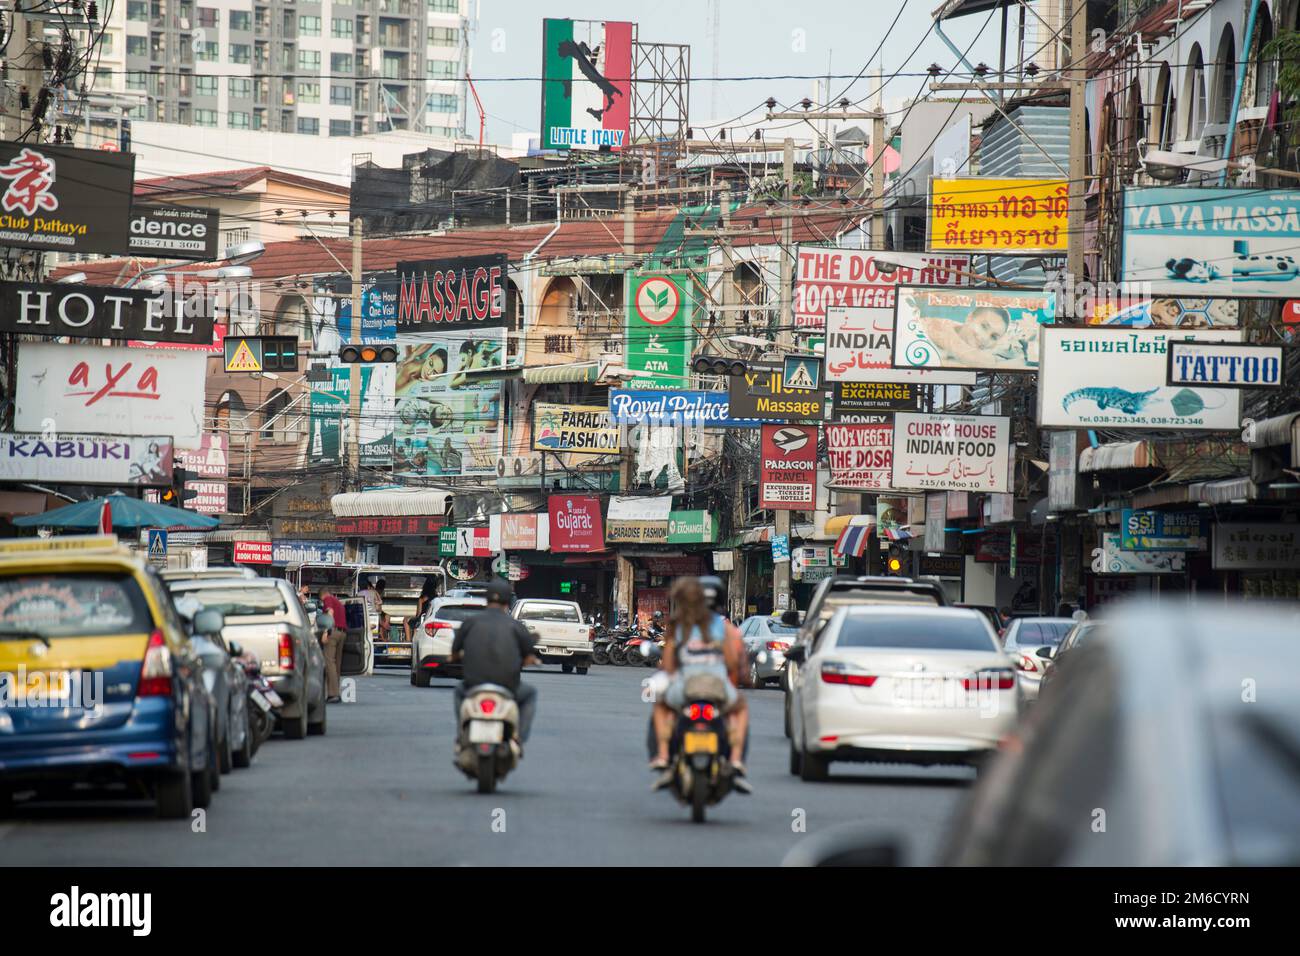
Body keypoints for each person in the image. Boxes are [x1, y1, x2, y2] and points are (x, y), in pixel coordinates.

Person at [650, 575, 751, 790]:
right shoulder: (722, 628)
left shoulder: (677, 626)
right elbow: (732, 661)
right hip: (717, 687)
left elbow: (668, 666)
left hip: (685, 687)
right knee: (740, 709)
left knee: (661, 705)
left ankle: (663, 754)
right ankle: (735, 759)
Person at [449, 579, 539, 745]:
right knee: (530, 694)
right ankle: (519, 738)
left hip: (474, 683)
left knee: (458, 692)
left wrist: (454, 657)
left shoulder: (470, 623)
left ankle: (462, 733)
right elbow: (529, 653)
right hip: (507, 685)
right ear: (507, 601)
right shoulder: (516, 626)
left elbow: (455, 650)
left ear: (487, 599)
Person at [319, 587, 347, 703]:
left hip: (333, 632)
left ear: (322, 595)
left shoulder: (328, 599)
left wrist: (326, 631)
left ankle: (332, 694)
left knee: (329, 662)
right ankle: (336, 692)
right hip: (342, 633)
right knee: (336, 664)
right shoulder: (338, 602)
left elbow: (330, 612)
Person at [406, 576, 440, 642]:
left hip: (422, 618)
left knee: (405, 620)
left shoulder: (423, 598)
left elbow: (419, 612)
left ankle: (408, 640)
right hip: (431, 618)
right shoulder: (436, 597)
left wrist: (417, 617)